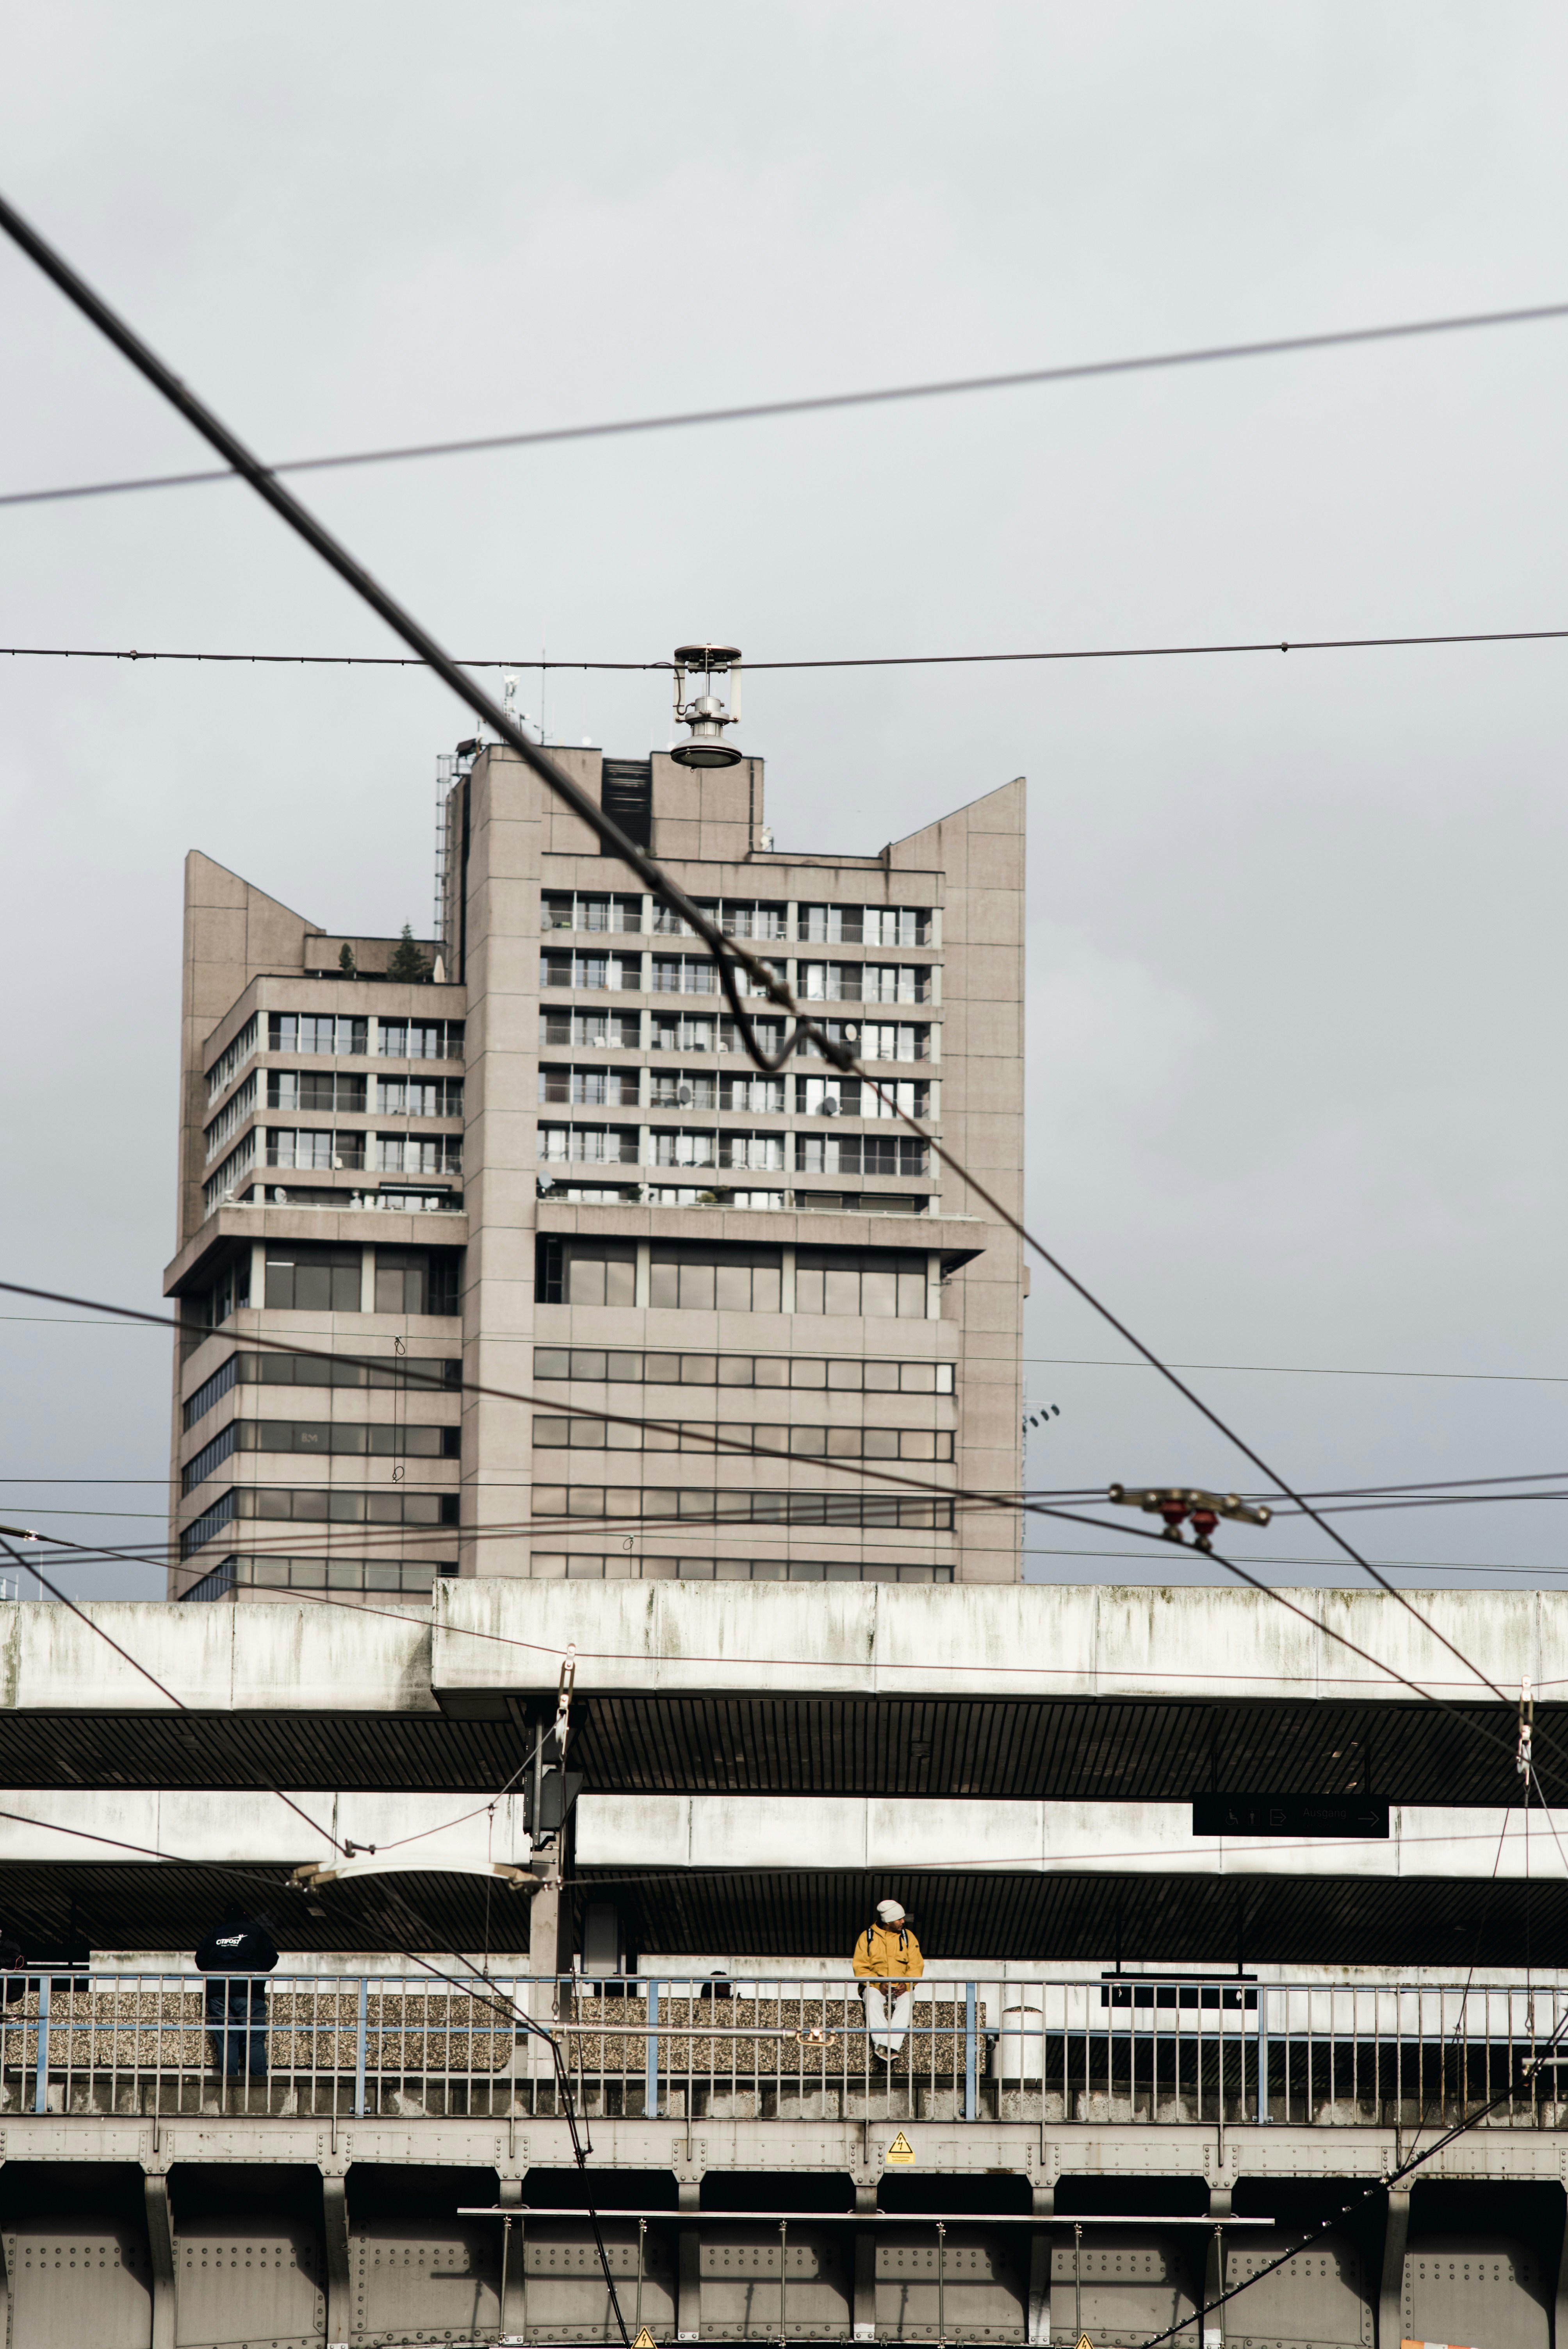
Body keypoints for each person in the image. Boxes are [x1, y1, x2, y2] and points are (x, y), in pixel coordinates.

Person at [195, 1904, 279, 2084]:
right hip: (248, 1989)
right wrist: (256, 1972)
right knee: (254, 2037)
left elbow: (200, 1961)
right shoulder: (255, 1931)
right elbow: (272, 1958)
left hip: (217, 1989)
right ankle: (259, 2085)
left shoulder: (215, 1933)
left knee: (227, 2038)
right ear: (245, 1914)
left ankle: (230, 2083)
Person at [853, 1899, 923, 2060]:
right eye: (899, 1919)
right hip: (875, 1986)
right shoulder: (867, 1937)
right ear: (889, 1922)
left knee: (908, 2000)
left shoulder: (908, 1937)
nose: (903, 1922)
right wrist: (878, 1984)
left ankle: (888, 2046)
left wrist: (906, 1984)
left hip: (901, 1986)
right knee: (871, 1999)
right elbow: (860, 1967)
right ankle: (885, 2046)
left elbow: (916, 1965)